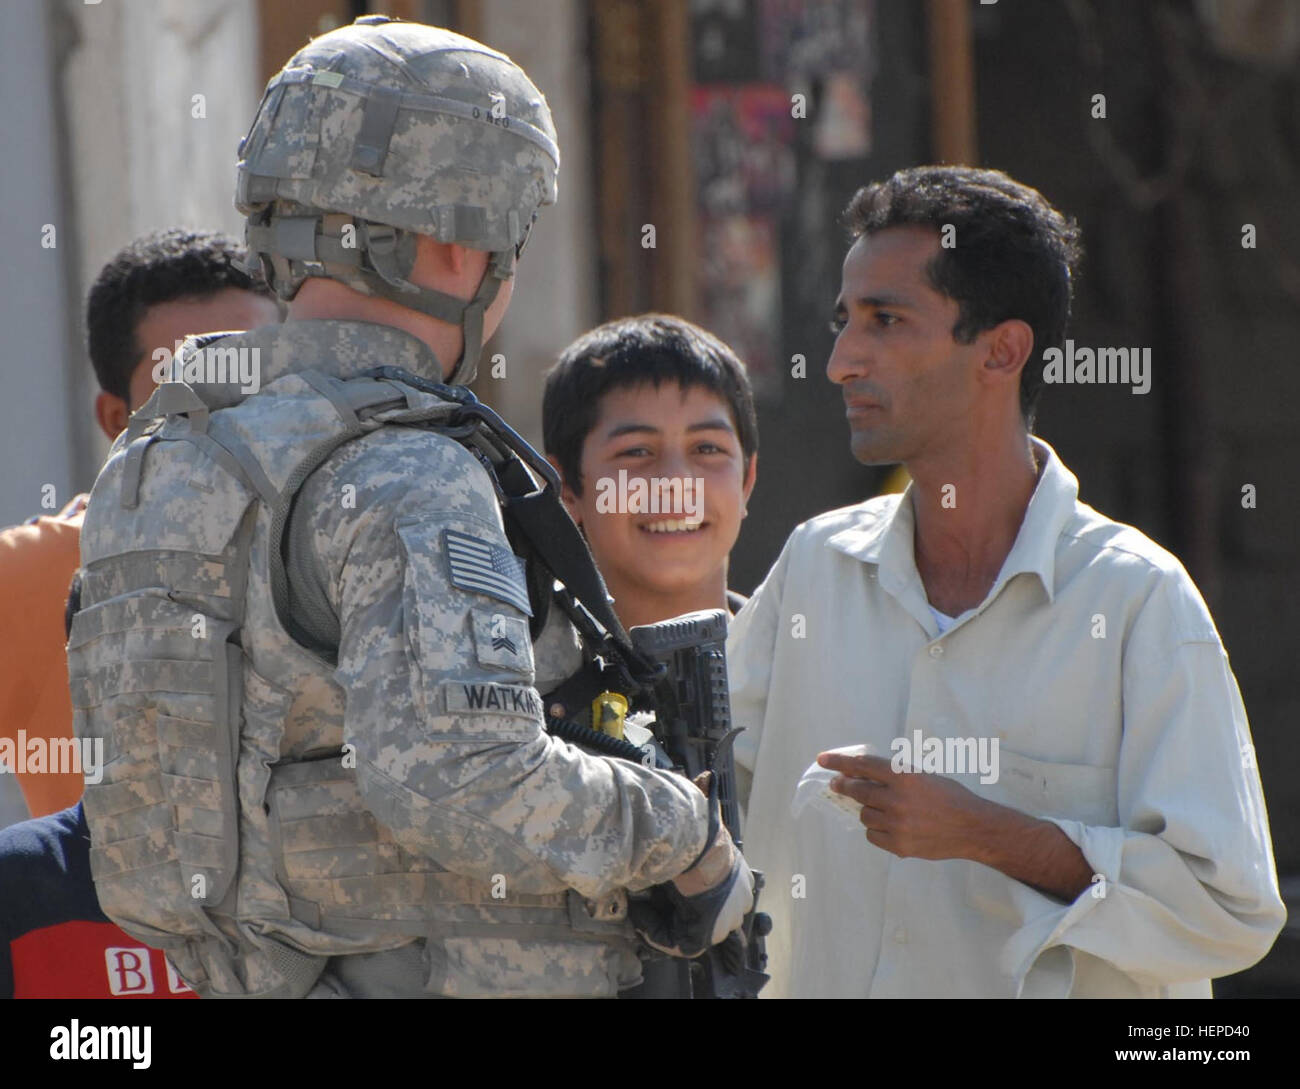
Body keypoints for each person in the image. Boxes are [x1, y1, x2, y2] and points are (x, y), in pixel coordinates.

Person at [68, 16, 753, 999]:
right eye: (505, 240)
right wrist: (680, 830)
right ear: (449, 246)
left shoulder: (166, 451)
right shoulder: (404, 468)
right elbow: (459, 779)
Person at [727, 165, 1285, 998]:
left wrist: (992, 834)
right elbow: (701, 818)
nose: (843, 360)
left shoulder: (1134, 600)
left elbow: (1227, 907)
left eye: (886, 320)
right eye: (846, 322)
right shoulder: (814, 570)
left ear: (1002, 349)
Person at [0, 228, 280, 823]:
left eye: (260, 382)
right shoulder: (26, 578)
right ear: (115, 418)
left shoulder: (360, 538)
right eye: (191, 391)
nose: (236, 418)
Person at [542, 313, 758, 631]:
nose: (676, 481)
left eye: (707, 449)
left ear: (746, 481)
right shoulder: (518, 674)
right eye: (637, 451)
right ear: (567, 489)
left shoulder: (805, 666)